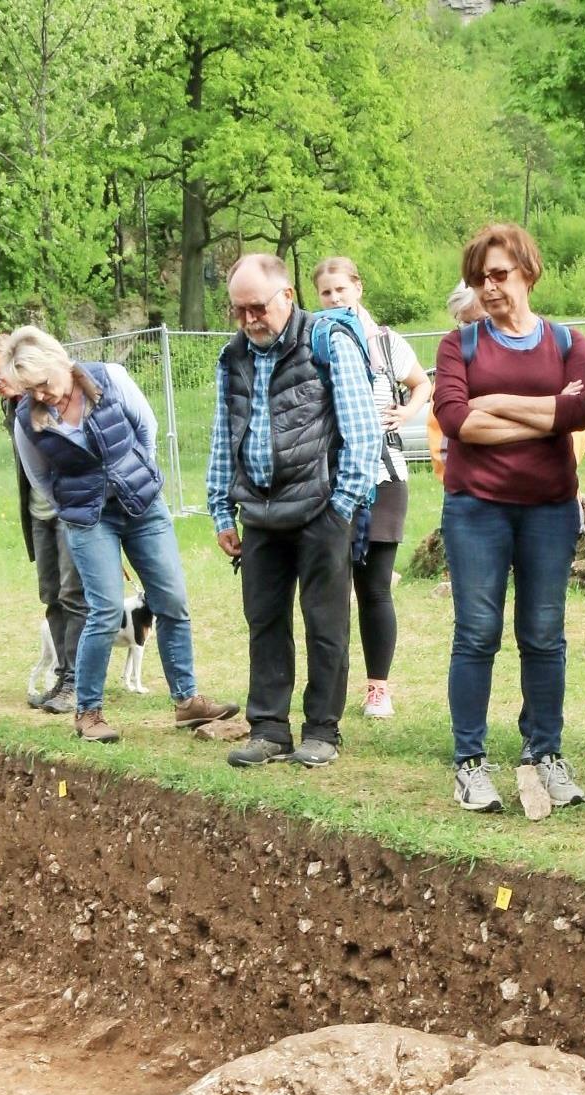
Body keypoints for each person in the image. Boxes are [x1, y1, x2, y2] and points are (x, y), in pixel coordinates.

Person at [432, 222, 585, 815]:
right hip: (477, 509)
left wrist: (497, 402)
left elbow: (581, 410)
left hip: (549, 511)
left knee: (544, 635)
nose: (489, 288)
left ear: (527, 270)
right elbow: (456, 421)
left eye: (499, 275)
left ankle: (545, 753)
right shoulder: (460, 346)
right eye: (480, 278)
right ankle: (469, 763)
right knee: (477, 633)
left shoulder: (567, 341)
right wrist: (544, 416)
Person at [3, 326, 231, 746]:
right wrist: (78, 508)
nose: (41, 395)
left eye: (44, 384)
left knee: (172, 600)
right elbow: (41, 480)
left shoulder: (109, 377)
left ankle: (187, 701)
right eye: (30, 389)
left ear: (60, 361)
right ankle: (88, 712)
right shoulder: (27, 421)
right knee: (104, 610)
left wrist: (137, 474)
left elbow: (147, 427)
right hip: (89, 520)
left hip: (143, 507)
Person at [207, 253, 383, 769]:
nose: (248, 319)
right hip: (258, 514)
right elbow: (224, 435)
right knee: (264, 622)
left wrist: (342, 505)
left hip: (320, 509)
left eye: (257, 307)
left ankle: (322, 731)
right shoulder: (232, 356)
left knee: (324, 623)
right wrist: (221, 510)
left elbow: (361, 429)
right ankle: (268, 729)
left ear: (286, 297)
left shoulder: (328, 341)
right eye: (238, 310)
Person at [312, 256, 432, 721]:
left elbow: (421, 384)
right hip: (331, 475)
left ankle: (378, 688)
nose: (335, 298)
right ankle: (330, 685)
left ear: (358, 288)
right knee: (331, 588)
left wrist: (405, 413)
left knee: (375, 587)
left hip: (384, 474)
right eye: (326, 293)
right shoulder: (316, 341)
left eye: (341, 289)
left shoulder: (386, 342)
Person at [0, 333, 86, 715]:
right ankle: (63, 675)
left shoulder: (50, 395)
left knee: (75, 595)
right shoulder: (12, 408)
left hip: (70, 510)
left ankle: (79, 683)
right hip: (39, 513)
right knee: (52, 596)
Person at [428, 283, 483, 481]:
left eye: (482, 323)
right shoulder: (452, 368)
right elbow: (442, 431)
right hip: (471, 489)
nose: (473, 333)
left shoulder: (541, 347)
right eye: (466, 324)